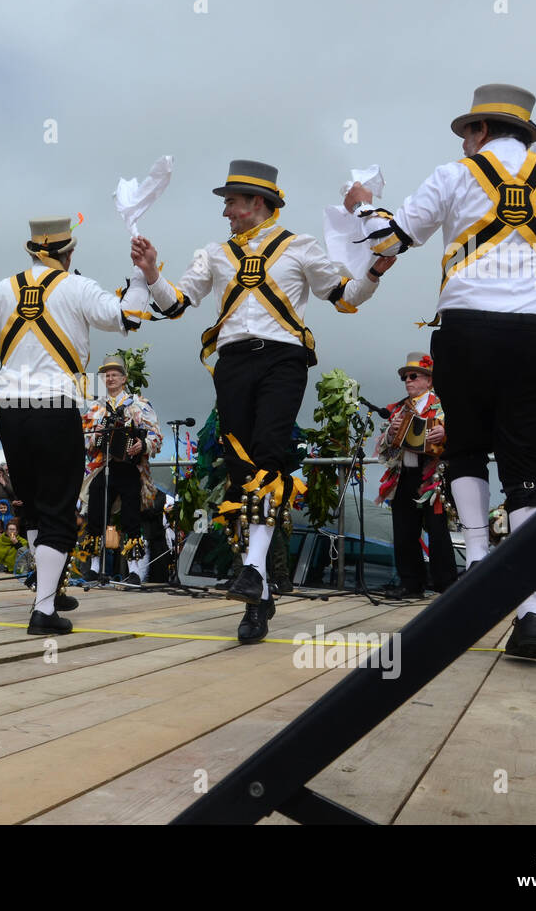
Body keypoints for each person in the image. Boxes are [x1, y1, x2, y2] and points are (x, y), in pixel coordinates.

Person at [345, 84, 536, 659]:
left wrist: (362, 202)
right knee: (528, 470)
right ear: (525, 133)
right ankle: (530, 611)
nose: (463, 142)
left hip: (466, 333)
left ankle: (478, 562)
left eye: (466, 133)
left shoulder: (453, 176)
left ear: (480, 131)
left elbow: (386, 238)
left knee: (467, 450)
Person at [135, 160, 385, 643]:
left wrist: (375, 268)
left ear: (257, 203)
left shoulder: (299, 247)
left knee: (269, 453)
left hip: (283, 361)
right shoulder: (214, 254)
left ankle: (252, 569)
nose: (226, 211)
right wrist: (149, 273)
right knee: (240, 470)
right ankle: (259, 591)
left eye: (231, 201)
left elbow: (346, 296)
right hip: (232, 363)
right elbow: (176, 304)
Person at [0, 215, 157, 635]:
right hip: (54, 407)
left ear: (32, 251)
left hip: (9, 410)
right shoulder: (78, 287)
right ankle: (44, 609)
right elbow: (129, 317)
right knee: (59, 507)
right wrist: (140, 275)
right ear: (69, 252)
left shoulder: (4, 289)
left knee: (30, 502)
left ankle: (49, 587)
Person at [374, 352, 457, 599]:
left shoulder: (443, 405)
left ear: (429, 381)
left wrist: (443, 434)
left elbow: (458, 435)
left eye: (413, 376)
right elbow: (383, 449)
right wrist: (391, 433)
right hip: (404, 475)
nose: (408, 381)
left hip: (433, 476)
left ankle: (447, 585)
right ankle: (411, 583)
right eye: (405, 378)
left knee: (438, 530)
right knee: (404, 530)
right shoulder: (399, 409)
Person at [80, 354, 163, 586]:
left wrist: (142, 444)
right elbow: (84, 438)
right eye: (106, 375)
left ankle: (135, 571)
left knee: (131, 518)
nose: (110, 378)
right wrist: (94, 438)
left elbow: (155, 435)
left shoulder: (140, 405)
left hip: (129, 468)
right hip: (103, 467)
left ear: (124, 378)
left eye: (115, 374)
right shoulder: (96, 407)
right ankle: (95, 569)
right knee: (95, 515)